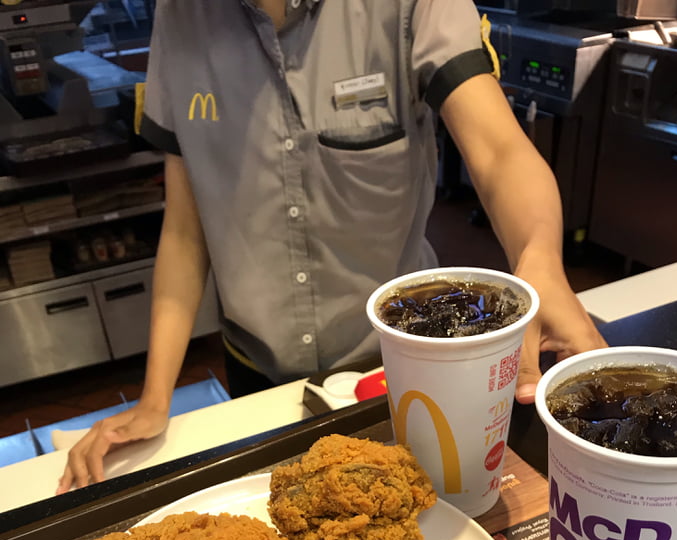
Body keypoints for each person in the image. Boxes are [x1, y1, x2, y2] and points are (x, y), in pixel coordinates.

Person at [57, 0, 606, 493]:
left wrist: (540, 261)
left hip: (395, 366)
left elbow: (499, 150)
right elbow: (184, 226)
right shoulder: (180, 15)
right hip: (256, 370)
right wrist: (155, 400)